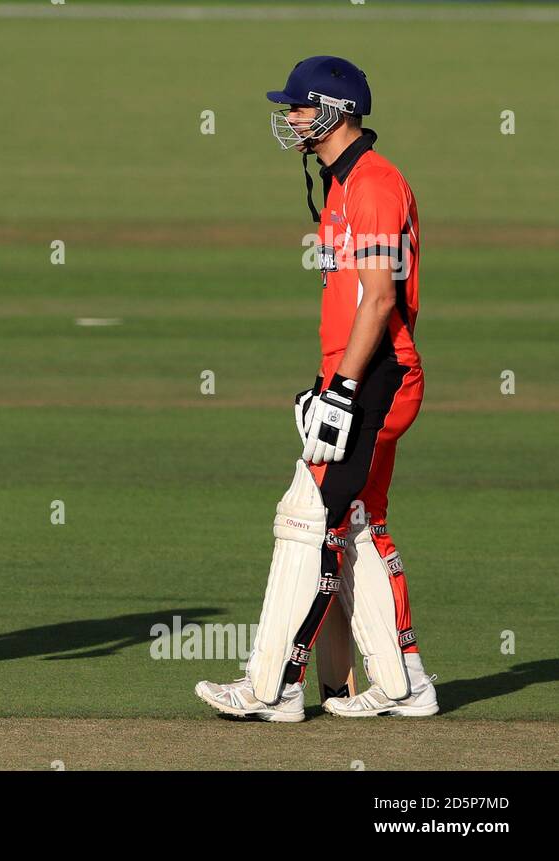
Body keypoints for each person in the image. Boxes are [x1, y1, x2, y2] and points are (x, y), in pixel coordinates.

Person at [195, 57, 437, 721]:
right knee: (351, 521)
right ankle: (401, 682)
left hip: (381, 374)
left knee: (305, 513)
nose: (290, 118)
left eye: (299, 107)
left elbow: (381, 297)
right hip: (356, 375)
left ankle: (270, 689)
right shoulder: (342, 184)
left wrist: (344, 388)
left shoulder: (376, 185)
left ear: (334, 110)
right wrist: (326, 384)